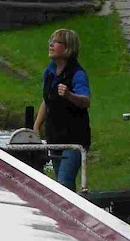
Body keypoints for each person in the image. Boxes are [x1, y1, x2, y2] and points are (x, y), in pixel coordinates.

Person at [33, 28, 90, 190]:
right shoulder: (49, 72)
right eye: (50, 41)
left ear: (68, 48)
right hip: (55, 138)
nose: (51, 45)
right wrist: (37, 126)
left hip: (74, 139)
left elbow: (86, 101)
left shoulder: (77, 74)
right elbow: (47, 101)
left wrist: (69, 95)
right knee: (60, 183)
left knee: (63, 182)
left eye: (56, 42)